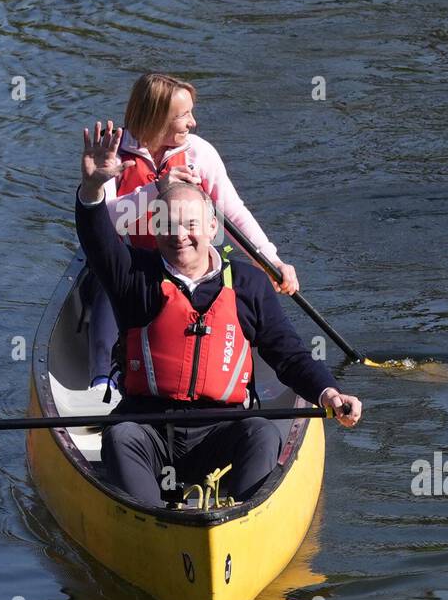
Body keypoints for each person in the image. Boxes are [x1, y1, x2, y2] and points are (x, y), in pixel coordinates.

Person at [77, 121, 362, 510]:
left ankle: (241, 518)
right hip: (148, 429)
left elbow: (288, 354)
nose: (180, 235)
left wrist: (329, 392)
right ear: (154, 228)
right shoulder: (134, 276)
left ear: (213, 227)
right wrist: (93, 188)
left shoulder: (247, 285)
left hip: (222, 431)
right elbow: (97, 240)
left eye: (191, 224)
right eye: (167, 224)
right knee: (119, 436)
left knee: (262, 433)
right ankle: (152, 520)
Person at [85, 72, 301, 402]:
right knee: (103, 281)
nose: (193, 122)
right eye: (183, 115)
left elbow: (234, 215)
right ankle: (102, 380)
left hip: (189, 264)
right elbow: (104, 220)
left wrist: (269, 259)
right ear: (157, 118)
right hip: (133, 267)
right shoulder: (112, 156)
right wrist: (154, 189)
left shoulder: (200, 154)